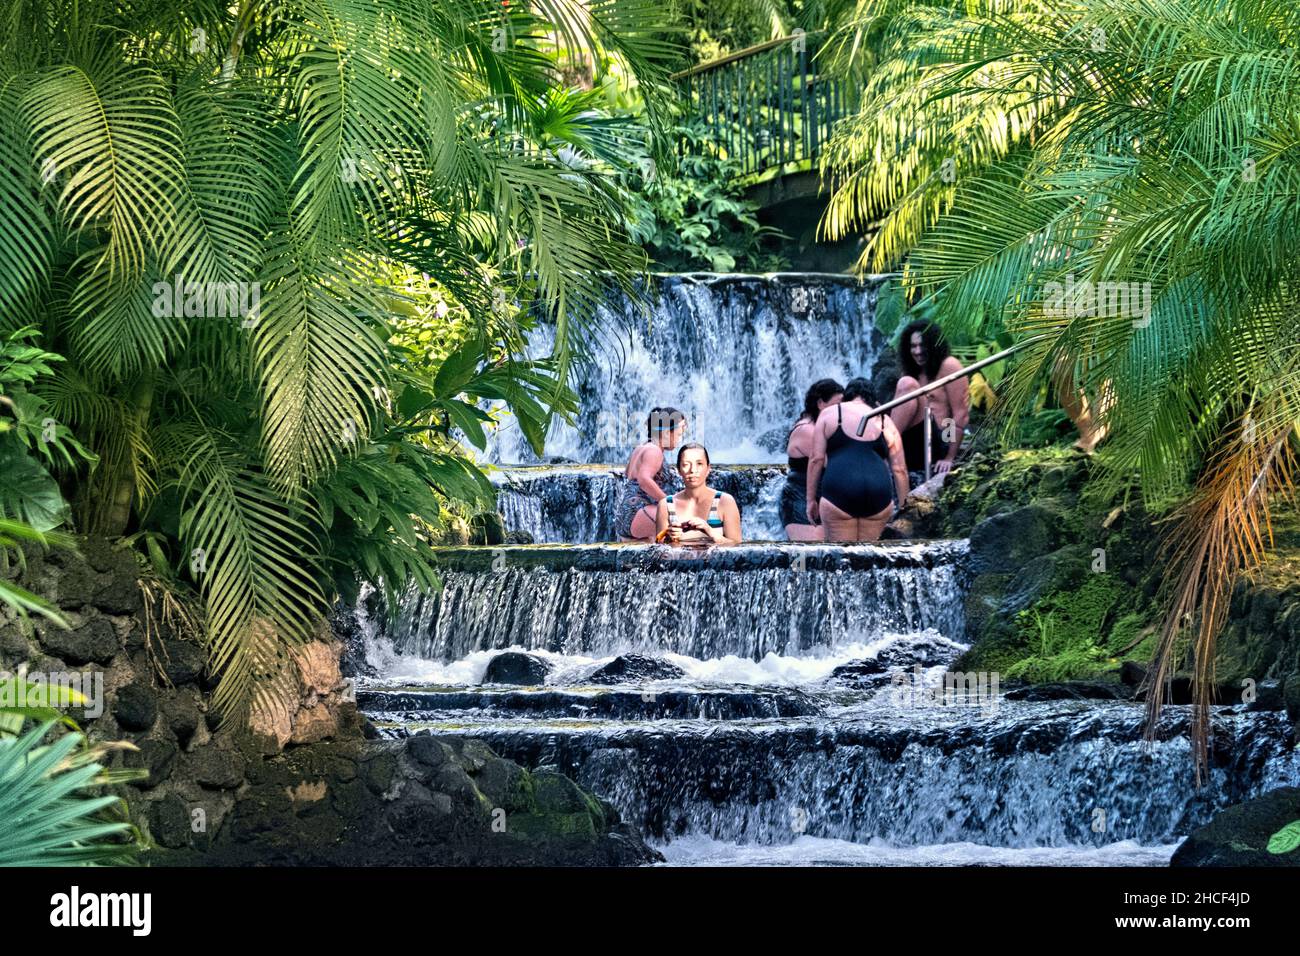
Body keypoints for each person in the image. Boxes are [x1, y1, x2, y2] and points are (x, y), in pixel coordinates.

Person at [807, 378, 909, 542]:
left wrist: (810, 500)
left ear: (847, 396)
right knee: (869, 560)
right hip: (878, 495)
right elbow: (900, 470)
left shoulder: (830, 414)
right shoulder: (885, 421)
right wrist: (906, 509)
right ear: (873, 400)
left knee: (843, 558)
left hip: (838, 492)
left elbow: (816, 460)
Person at [890, 319, 969, 477]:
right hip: (913, 441)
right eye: (913, 346)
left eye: (922, 345)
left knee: (907, 384)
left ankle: (884, 448)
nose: (918, 351)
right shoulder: (911, 372)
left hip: (938, 441)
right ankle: (884, 449)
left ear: (934, 345)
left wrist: (949, 457)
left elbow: (960, 414)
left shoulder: (949, 365)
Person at [782, 379, 843, 541]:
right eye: (838, 404)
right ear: (821, 403)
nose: (841, 409)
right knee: (803, 559)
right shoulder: (806, 430)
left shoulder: (820, 427)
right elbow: (832, 464)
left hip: (820, 501)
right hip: (800, 500)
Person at [613, 407, 685, 542]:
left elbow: (627, 476)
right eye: (679, 434)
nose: (680, 439)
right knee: (686, 523)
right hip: (639, 512)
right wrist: (669, 502)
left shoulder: (641, 448)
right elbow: (643, 480)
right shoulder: (654, 451)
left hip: (626, 515)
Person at [655, 443, 741, 547]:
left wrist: (709, 531)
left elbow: (737, 545)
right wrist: (669, 538)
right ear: (678, 470)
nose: (693, 470)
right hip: (680, 562)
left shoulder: (725, 501)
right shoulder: (666, 504)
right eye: (686, 464)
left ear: (708, 468)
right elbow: (659, 547)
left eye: (699, 464)